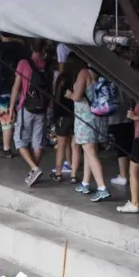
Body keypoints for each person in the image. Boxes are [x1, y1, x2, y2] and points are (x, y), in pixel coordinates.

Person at [69, 58, 111, 201]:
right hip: (99, 118)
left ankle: (102, 187)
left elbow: (77, 96)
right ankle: (85, 183)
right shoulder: (102, 73)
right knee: (89, 151)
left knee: (91, 152)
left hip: (85, 118)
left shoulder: (84, 73)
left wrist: (69, 95)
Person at [9, 39, 49, 187]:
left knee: (19, 140)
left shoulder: (24, 64)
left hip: (26, 107)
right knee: (38, 142)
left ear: (31, 47)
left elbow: (16, 87)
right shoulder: (47, 64)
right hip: (42, 108)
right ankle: (34, 173)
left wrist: (12, 107)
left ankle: (34, 168)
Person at [0, 33, 27, 157]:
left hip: (0, 89)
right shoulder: (20, 49)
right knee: (18, 118)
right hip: (19, 87)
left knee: (6, 120)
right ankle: (24, 145)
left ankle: (6, 149)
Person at [49, 53, 78, 181]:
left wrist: (54, 117)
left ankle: (59, 173)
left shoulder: (62, 78)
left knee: (61, 144)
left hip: (63, 115)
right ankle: (73, 173)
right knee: (74, 145)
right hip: (77, 115)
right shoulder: (78, 78)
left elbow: (57, 99)